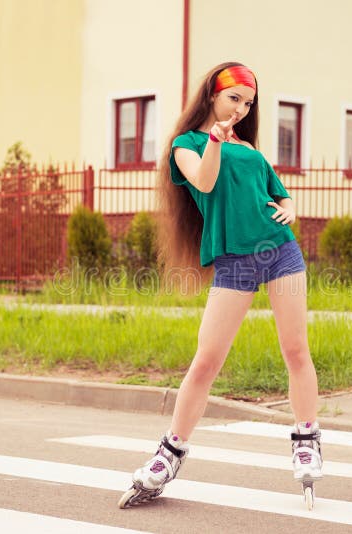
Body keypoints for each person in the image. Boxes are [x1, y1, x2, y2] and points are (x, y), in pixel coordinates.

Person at [119, 62, 322, 508]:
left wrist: (289, 206)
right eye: (235, 98)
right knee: (207, 360)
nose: (241, 108)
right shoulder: (185, 145)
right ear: (213, 94)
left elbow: (277, 189)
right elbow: (205, 181)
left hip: (280, 251)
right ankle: (168, 453)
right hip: (233, 261)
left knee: (295, 349)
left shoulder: (249, 147)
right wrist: (214, 138)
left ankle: (306, 438)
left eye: (248, 102)